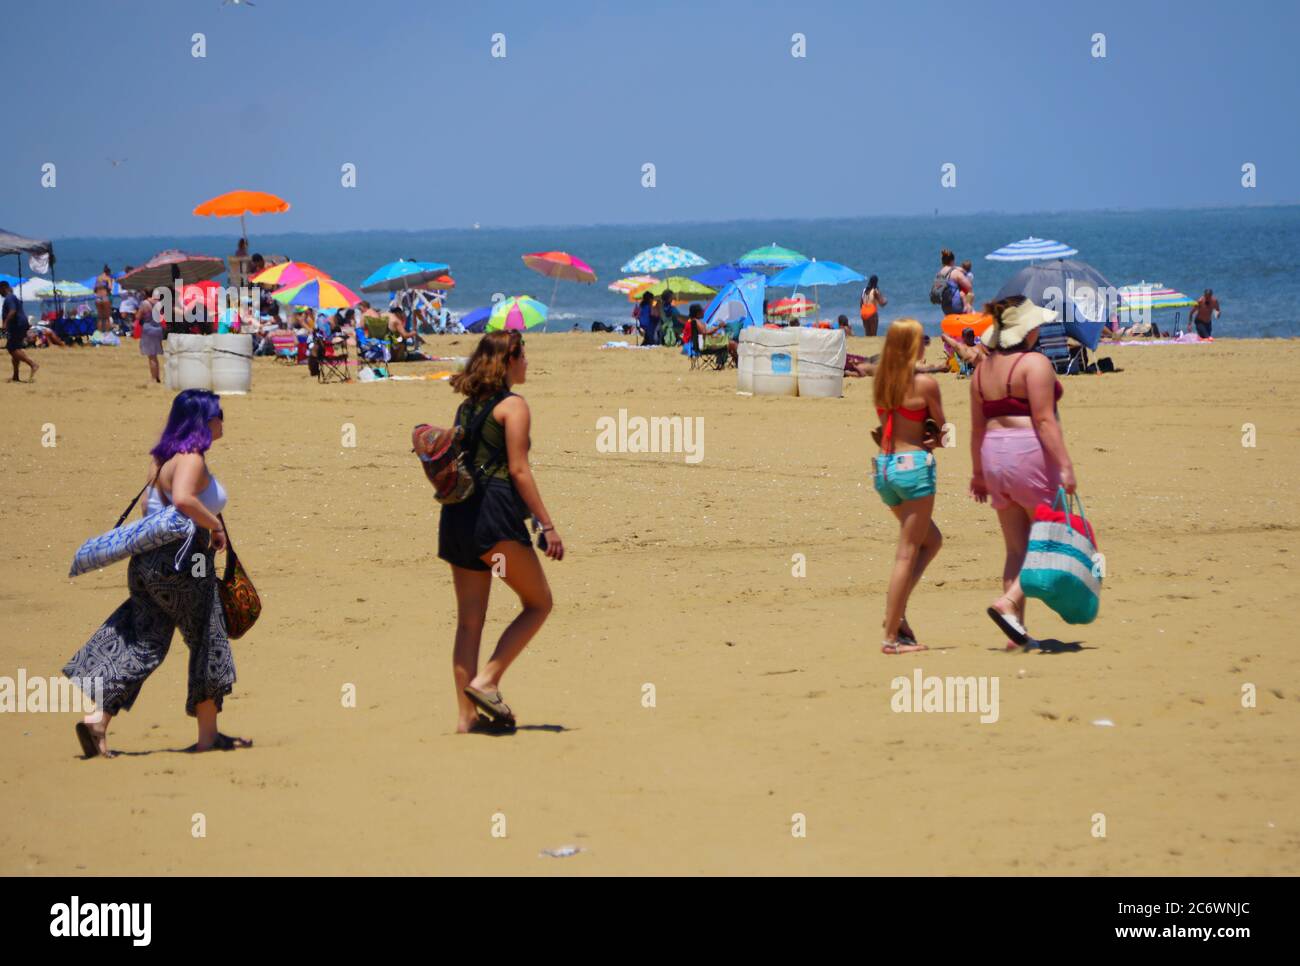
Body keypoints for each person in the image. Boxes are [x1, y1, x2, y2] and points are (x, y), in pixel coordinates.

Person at [62, 389, 250, 757]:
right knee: (208, 639)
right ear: (203, 420)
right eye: (218, 413)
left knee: (144, 640)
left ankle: (97, 719)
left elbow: (152, 512)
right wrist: (215, 527)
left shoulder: (160, 459)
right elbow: (182, 500)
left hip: (147, 562)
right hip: (185, 562)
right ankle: (208, 737)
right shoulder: (191, 459)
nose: (222, 420)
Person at [438, 331, 563, 734]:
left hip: (457, 517)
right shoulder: (513, 407)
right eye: (523, 356)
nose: (528, 363)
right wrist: (548, 525)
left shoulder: (465, 409)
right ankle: (487, 680)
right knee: (539, 602)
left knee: (468, 622)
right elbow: (518, 470)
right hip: (494, 516)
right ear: (508, 361)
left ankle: (465, 718)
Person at [969, 296, 1078, 649]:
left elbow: (975, 429)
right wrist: (1065, 465)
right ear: (1026, 331)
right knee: (1051, 534)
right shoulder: (1035, 364)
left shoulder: (981, 371)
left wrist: (978, 474)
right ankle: (1009, 602)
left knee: (1015, 548)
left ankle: (1016, 634)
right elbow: (1045, 420)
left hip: (993, 456)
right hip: (1027, 451)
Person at [869, 319, 946, 654]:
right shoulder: (925, 384)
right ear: (913, 345)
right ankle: (890, 635)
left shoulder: (881, 382)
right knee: (907, 552)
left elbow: (883, 425)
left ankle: (895, 614)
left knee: (931, 541)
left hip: (884, 469)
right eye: (923, 339)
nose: (926, 344)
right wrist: (935, 437)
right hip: (914, 468)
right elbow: (943, 430)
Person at [1, 281, 38, 383]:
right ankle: (15, 376)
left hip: (17, 325)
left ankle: (32, 364)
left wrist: (5, 323)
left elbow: (12, 311)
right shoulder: (12, 297)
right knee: (15, 348)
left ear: (3, 288)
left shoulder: (9, 298)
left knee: (11, 348)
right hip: (20, 324)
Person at [930, 249, 971, 317]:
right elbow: (969, 287)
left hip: (945, 307)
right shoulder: (956, 273)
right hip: (956, 306)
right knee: (970, 297)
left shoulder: (939, 273)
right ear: (952, 261)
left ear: (942, 262)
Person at [138, 292, 165, 382]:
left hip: (148, 329)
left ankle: (153, 378)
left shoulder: (145, 303)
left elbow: (138, 316)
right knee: (155, 356)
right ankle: (157, 376)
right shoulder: (159, 303)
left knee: (151, 356)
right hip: (158, 328)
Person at [94, 265, 114, 333]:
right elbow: (110, 288)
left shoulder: (98, 278)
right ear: (108, 272)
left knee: (100, 317)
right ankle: (107, 334)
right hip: (105, 298)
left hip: (98, 298)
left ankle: (99, 333)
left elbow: (94, 289)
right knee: (107, 318)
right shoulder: (108, 278)